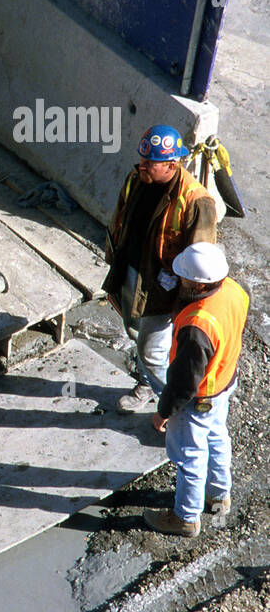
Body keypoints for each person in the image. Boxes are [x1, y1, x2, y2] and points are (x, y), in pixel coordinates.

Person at [103, 125, 216, 413]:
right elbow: (121, 217)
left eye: (149, 162)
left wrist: (186, 304)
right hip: (131, 272)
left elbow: (200, 261)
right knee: (134, 330)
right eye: (142, 158)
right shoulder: (137, 177)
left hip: (162, 291)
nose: (142, 164)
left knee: (152, 352)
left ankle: (173, 407)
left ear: (172, 164)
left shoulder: (195, 200)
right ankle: (146, 383)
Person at [144, 243, 248, 537]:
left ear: (199, 283)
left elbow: (182, 383)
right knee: (217, 437)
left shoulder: (196, 325)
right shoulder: (233, 290)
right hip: (224, 383)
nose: (181, 280)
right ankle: (218, 496)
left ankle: (186, 518)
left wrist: (163, 413)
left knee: (189, 455)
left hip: (200, 396)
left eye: (185, 277)